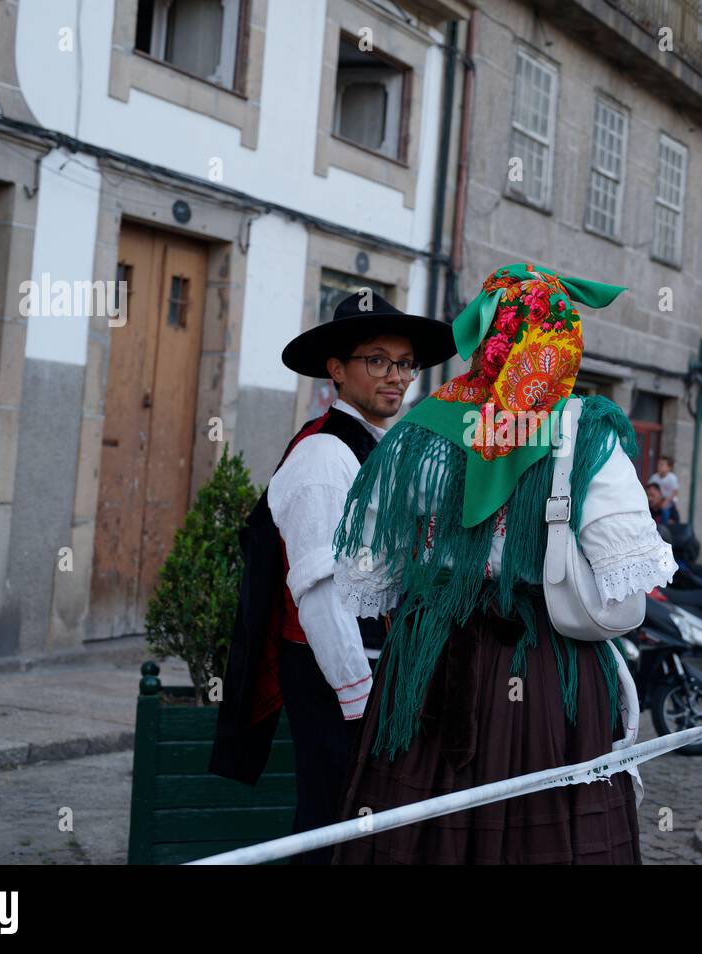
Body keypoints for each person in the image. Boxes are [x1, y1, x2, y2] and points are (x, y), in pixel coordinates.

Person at [330, 263, 676, 864]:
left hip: (429, 662)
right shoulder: (583, 432)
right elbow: (624, 587)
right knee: (540, 829)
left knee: (421, 824)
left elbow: (374, 575)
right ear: (562, 339)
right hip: (545, 669)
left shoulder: (422, 430)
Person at [208, 291, 455, 864]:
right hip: (334, 672)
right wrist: (358, 698)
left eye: (404, 363)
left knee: (360, 826)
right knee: (332, 821)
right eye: (377, 360)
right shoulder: (323, 456)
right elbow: (321, 591)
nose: (396, 377)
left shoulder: (381, 448)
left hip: (371, 668)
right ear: (337, 371)